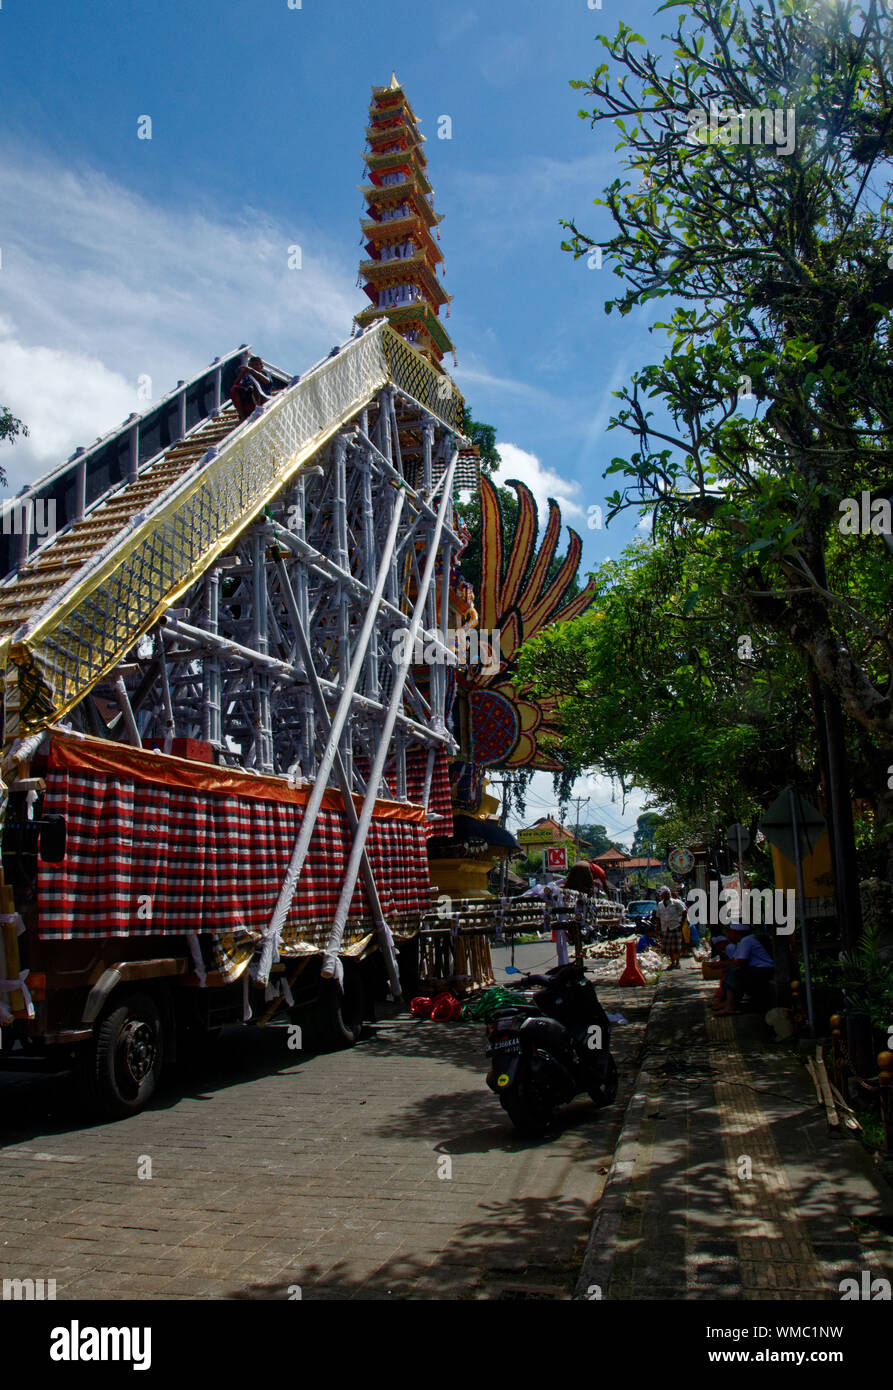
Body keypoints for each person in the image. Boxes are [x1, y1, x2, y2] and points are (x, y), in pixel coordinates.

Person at [711, 924, 774, 1016]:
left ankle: (730, 1006)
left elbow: (740, 962)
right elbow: (736, 960)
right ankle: (728, 1002)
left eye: (730, 932)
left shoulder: (746, 940)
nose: (728, 935)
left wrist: (723, 964)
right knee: (730, 970)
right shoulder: (743, 942)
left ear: (737, 932)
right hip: (759, 970)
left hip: (763, 970)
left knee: (733, 971)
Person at [231, 355, 271, 421]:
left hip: (263, 399)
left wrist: (252, 371)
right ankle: (242, 417)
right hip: (250, 400)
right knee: (235, 389)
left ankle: (256, 411)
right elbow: (236, 384)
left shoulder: (264, 374)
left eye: (257, 364)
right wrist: (243, 372)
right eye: (253, 365)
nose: (255, 366)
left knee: (251, 388)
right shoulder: (248, 376)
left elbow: (267, 381)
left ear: (261, 366)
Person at [656, 886, 687, 969]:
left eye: (667, 893)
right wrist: (658, 928)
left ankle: (677, 962)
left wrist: (681, 923)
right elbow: (658, 917)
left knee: (676, 947)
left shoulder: (675, 903)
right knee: (668, 948)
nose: (667, 895)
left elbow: (684, 911)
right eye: (664, 894)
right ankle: (672, 962)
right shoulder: (660, 905)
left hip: (675, 926)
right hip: (665, 928)